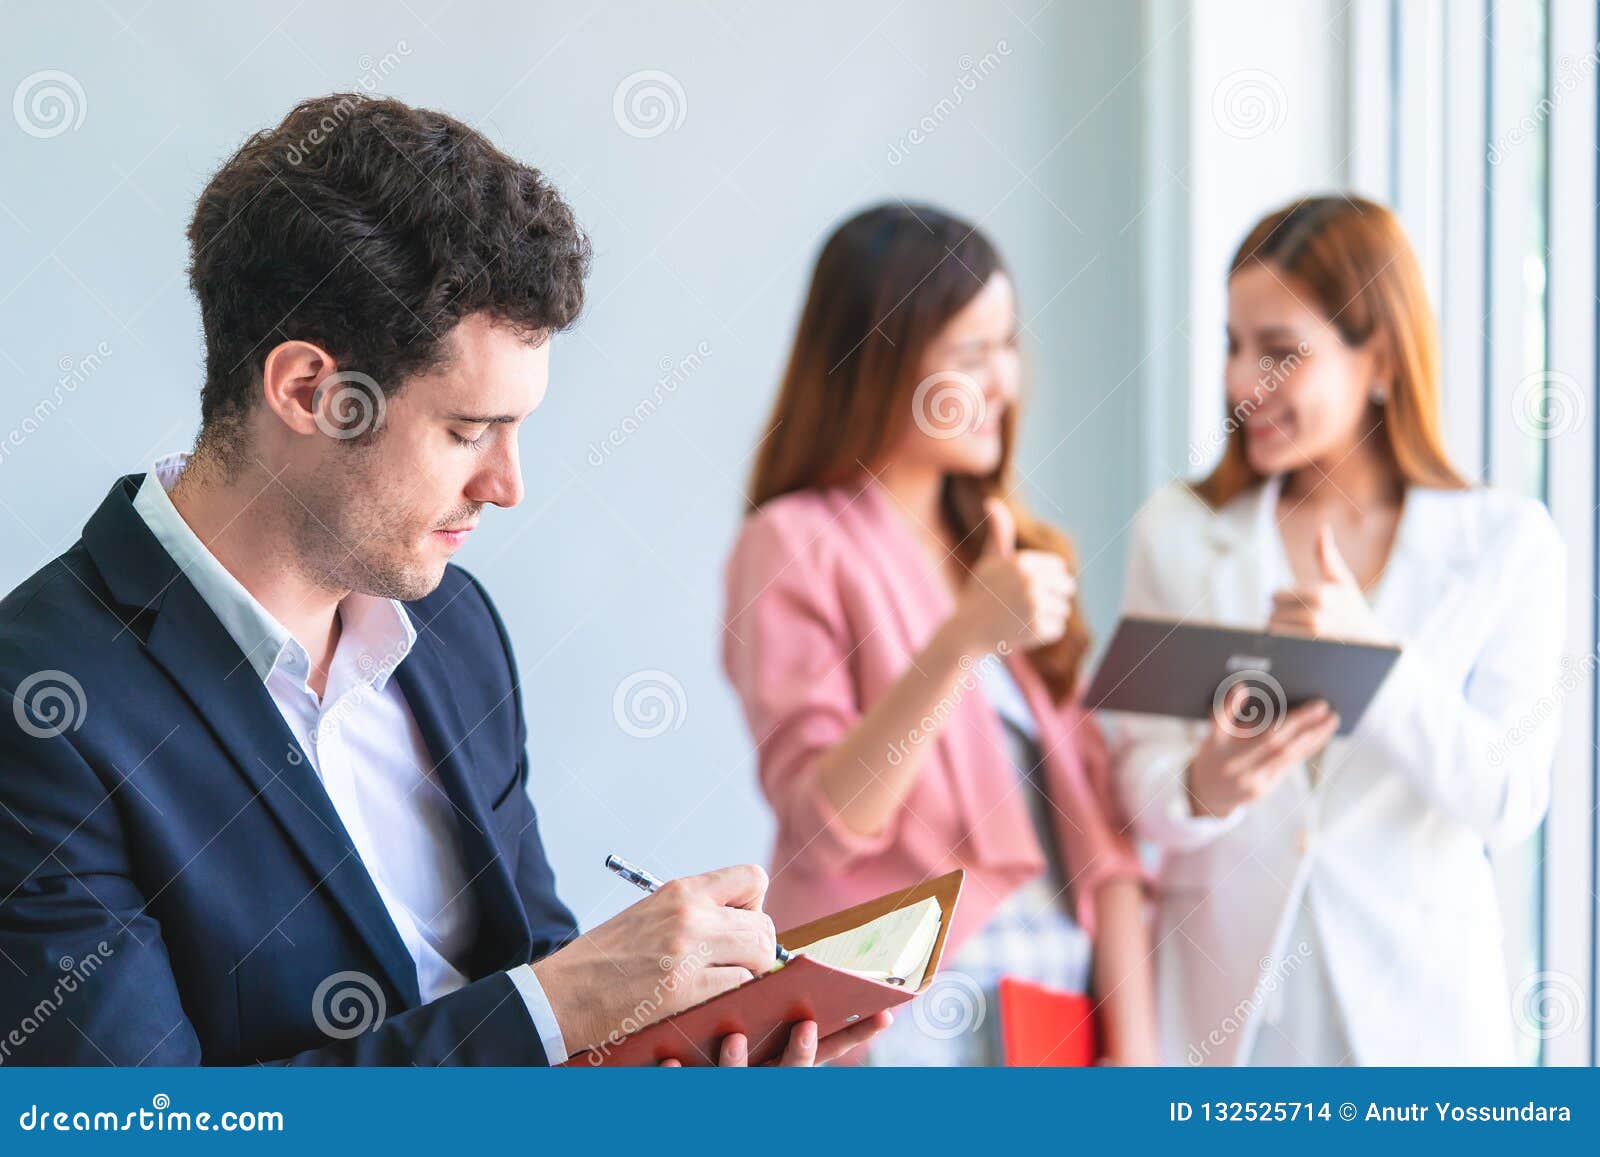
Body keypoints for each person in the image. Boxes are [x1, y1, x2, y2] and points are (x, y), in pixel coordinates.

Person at [0, 94, 889, 1067]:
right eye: (469, 430)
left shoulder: (454, 624)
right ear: (309, 392)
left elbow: (539, 977)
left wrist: (673, 1046)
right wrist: (556, 1004)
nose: (506, 485)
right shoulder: (39, 704)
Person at [1110, 194, 1565, 1065]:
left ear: (1381, 359)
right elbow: (1134, 780)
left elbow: (1508, 801)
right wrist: (1203, 785)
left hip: (1419, 1021)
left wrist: (1376, 665)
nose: (1245, 383)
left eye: (1281, 353)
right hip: (1226, 1017)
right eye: (1235, 347)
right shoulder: (1175, 531)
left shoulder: (1506, 545)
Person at [721, 204, 1158, 1066]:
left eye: (1007, 345)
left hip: (1051, 1021)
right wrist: (960, 642)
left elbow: (1102, 844)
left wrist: (1137, 1059)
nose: (1003, 381)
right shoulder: (794, 541)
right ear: (881, 362)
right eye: (969, 353)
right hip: (895, 1026)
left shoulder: (1004, 551)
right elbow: (832, 818)